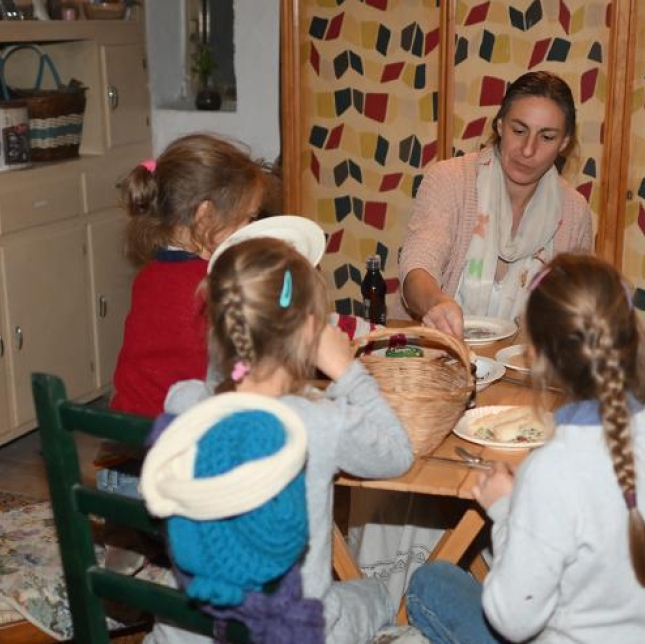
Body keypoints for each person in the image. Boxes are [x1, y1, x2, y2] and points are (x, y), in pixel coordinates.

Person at [404, 254, 645, 643]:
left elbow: (513, 619)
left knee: (430, 583)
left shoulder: (551, 469)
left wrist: (507, 511)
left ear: (541, 358)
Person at [145, 237, 416, 644]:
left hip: (190, 628)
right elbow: (397, 454)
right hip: (289, 630)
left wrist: (231, 352)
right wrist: (346, 370)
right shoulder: (319, 422)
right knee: (375, 594)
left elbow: (216, 385)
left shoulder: (183, 403)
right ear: (310, 331)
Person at [399, 70, 594, 338]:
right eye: (519, 130)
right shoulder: (451, 180)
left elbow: (576, 308)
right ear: (501, 125)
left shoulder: (574, 211)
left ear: (564, 143)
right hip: (444, 360)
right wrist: (436, 303)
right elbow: (418, 266)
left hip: (524, 371)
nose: (528, 149)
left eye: (546, 137)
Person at [110, 132, 276, 418]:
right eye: (248, 218)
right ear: (206, 216)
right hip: (178, 443)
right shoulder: (215, 285)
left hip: (126, 441)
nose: (252, 227)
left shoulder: (149, 276)